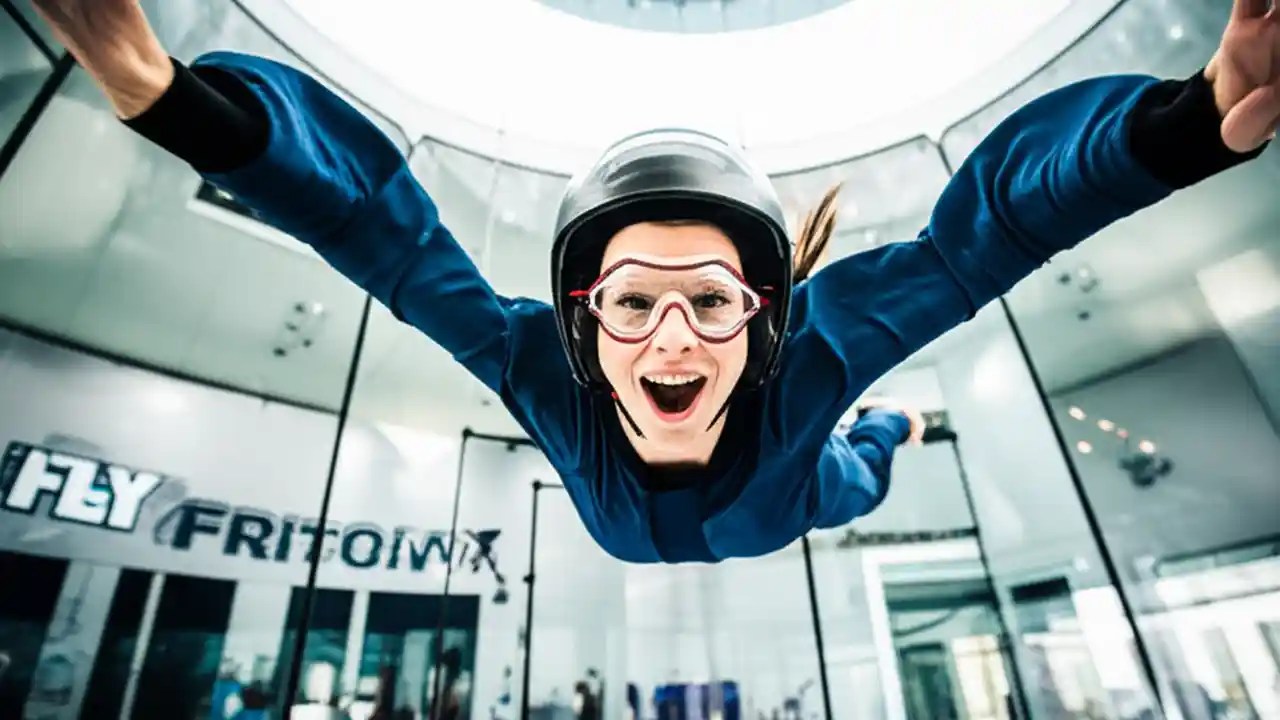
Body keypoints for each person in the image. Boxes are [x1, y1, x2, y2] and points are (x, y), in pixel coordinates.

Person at [29, 0, 1277, 564]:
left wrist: (1179, 124)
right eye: (634, 301)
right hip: (718, 510)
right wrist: (170, 97)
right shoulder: (534, 362)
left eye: (713, 299)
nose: (672, 339)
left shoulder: (815, 352)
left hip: (805, 489)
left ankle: (893, 423)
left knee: (858, 463)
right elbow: (385, 241)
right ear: (581, 324)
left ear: (762, 316)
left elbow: (985, 236)